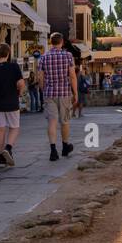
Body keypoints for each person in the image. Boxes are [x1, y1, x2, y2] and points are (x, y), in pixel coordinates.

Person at [39, 31, 77, 162]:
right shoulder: (68, 56)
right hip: (64, 93)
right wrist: (75, 93)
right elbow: (72, 76)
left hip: (50, 93)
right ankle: (65, 146)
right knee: (64, 121)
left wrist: (44, 90)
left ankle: (53, 150)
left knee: (52, 121)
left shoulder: (44, 57)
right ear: (62, 42)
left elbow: (40, 77)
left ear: (51, 42)